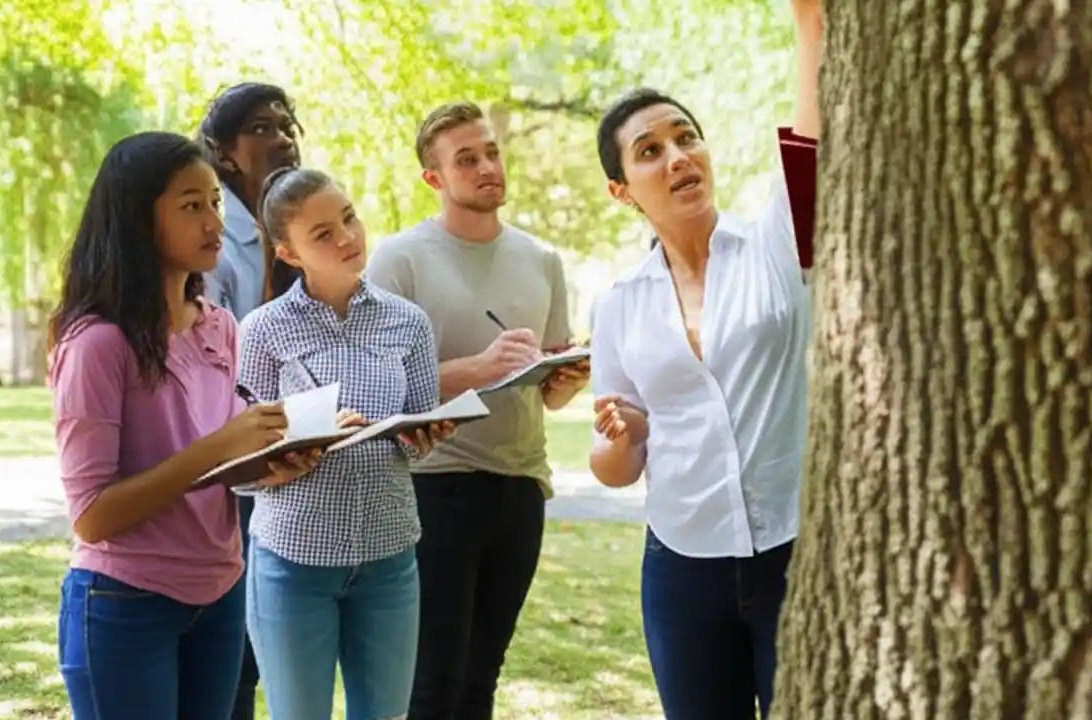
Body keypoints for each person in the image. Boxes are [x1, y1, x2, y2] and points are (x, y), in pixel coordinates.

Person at [586, 2, 823, 718]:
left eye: (686, 138)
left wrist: (808, 26)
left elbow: (813, 137)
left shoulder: (779, 240)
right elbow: (615, 466)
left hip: (794, 554)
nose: (678, 157)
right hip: (682, 570)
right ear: (622, 189)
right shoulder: (620, 303)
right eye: (650, 151)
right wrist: (621, 435)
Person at [49, 131, 320, 720]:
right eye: (190, 205)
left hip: (220, 593)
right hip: (124, 602)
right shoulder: (97, 344)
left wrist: (273, 462)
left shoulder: (220, 326)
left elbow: (219, 468)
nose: (214, 220)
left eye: (216, 202)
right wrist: (220, 446)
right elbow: (92, 515)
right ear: (137, 219)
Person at [365, 101, 589, 720]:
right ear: (434, 179)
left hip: (520, 490)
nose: (488, 166)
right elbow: (373, 391)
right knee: (432, 683)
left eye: (490, 152)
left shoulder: (542, 260)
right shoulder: (399, 260)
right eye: (467, 159)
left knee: (480, 680)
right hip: (433, 488)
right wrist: (476, 369)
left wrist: (564, 377)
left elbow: (547, 390)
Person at [237, 166, 458, 720]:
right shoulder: (261, 331)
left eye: (349, 218)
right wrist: (298, 445)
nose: (347, 238)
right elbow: (239, 466)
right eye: (322, 234)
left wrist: (421, 436)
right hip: (293, 563)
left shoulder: (409, 323)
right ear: (288, 253)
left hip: (390, 558)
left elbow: (414, 442)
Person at [197, 81, 303, 719]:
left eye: (287, 124)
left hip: (290, 460)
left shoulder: (294, 228)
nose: (283, 136)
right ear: (224, 152)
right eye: (262, 127)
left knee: (259, 647)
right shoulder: (213, 242)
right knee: (231, 651)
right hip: (235, 466)